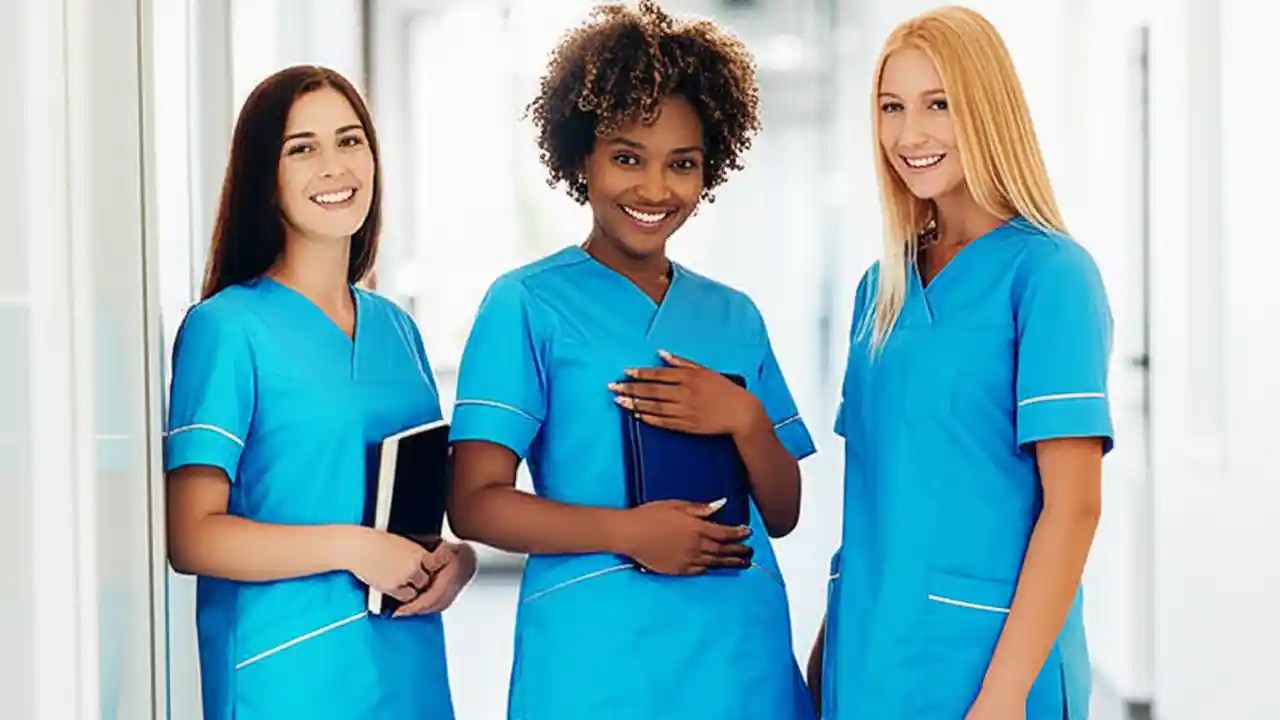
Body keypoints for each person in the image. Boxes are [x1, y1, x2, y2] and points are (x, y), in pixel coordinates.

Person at [446, 2, 816, 718]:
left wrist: (744, 418)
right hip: (597, 662)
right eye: (626, 158)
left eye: (683, 164)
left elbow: (783, 511)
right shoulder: (527, 304)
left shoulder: (734, 316)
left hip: (738, 658)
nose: (654, 189)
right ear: (580, 158)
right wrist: (628, 532)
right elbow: (474, 504)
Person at [809, 6, 1114, 719]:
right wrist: (826, 660)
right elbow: (878, 497)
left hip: (987, 668)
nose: (909, 134)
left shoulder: (1049, 275)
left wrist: (1003, 697)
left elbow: (1074, 507)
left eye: (938, 104)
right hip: (869, 661)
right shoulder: (880, 289)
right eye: (892, 107)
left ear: (986, 110)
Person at [164, 65, 474, 720]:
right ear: (264, 176)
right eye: (302, 148)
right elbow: (191, 536)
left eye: (350, 140)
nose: (334, 166)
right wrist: (351, 547)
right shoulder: (227, 328)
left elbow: (408, 507)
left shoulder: (398, 329)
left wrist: (454, 562)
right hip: (290, 678)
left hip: (407, 669)